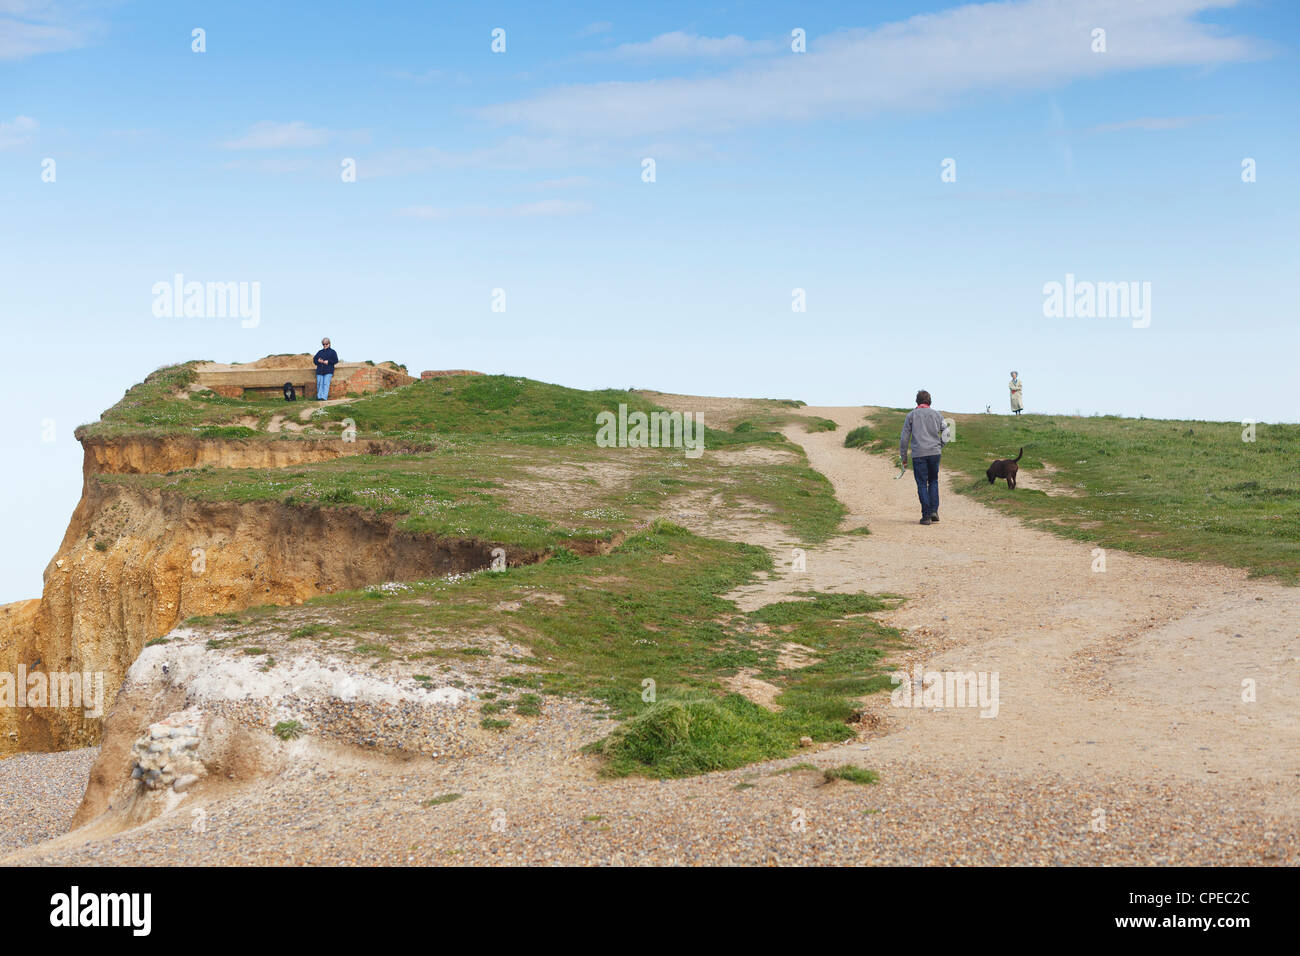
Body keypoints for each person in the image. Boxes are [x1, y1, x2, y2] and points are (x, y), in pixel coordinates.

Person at [899, 389, 948, 526]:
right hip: (934, 453)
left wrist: (903, 458)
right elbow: (947, 432)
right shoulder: (937, 415)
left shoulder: (911, 416)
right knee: (933, 480)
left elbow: (904, 439)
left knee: (921, 483)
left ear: (917, 401)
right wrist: (940, 445)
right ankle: (934, 511)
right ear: (929, 401)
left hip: (918, 454)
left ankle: (926, 515)